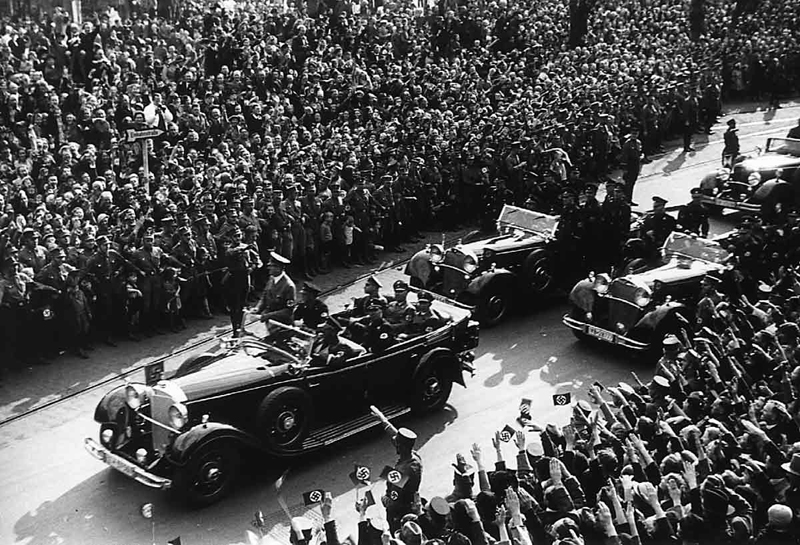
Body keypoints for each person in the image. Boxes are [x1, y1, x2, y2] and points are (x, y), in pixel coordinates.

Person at [382, 427, 423, 533]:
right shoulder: (415, 457)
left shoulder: (404, 471)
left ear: (401, 447)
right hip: (408, 505)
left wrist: (385, 500)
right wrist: (383, 420)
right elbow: (400, 439)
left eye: (397, 443)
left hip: (399, 513)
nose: (395, 444)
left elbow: (394, 501)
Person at [221, 226, 253, 338]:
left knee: (243, 305)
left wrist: (253, 266)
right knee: (235, 307)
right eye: (235, 236)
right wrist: (244, 249)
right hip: (234, 279)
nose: (238, 238)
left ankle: (242, 327)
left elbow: (254, 260)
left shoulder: (245, 247)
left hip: (245, 277)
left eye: (239, 235)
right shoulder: (229, 249)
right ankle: (235, 330)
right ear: (231, 237)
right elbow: (231, 253)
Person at [254, 251, 296, 327]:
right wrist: (257, 308)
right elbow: (264, 296)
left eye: (272, 266)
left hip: (282, 325)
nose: (269, 268)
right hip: (270, 322)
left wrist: (269, 315)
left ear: (279, 268)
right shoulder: (272, 278)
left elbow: (288, 311)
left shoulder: (289, 286)